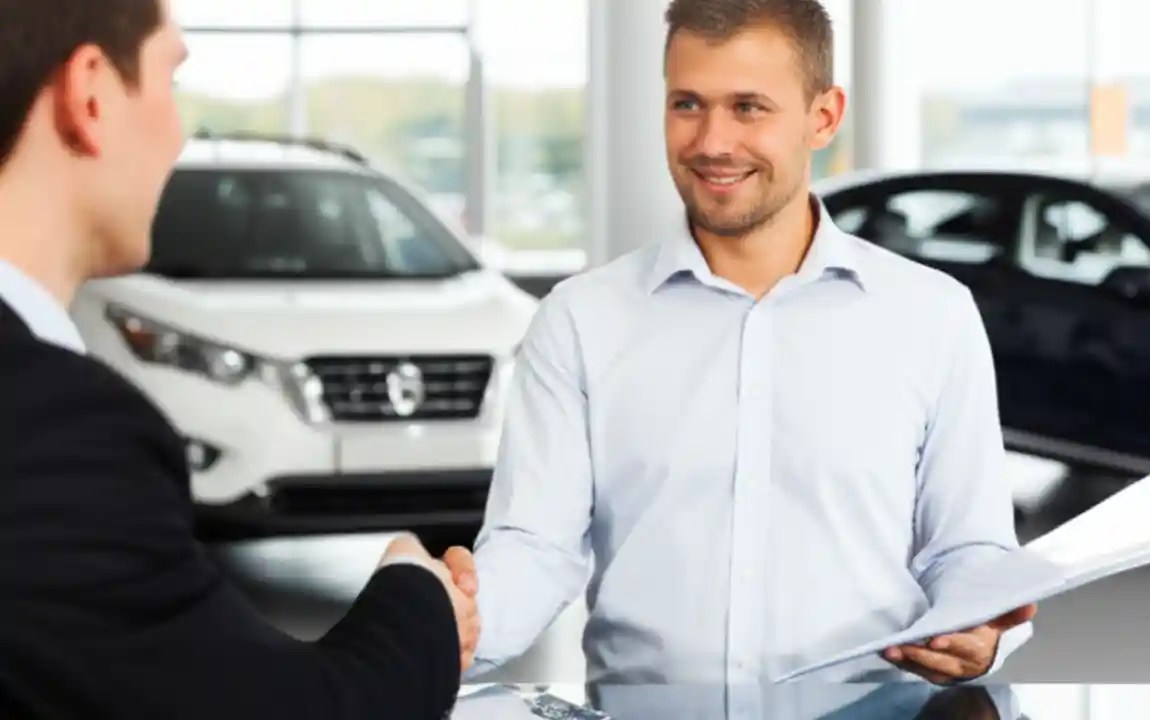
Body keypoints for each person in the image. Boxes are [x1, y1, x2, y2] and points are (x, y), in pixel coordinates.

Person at [448, 0, 1036, 686]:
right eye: (688, 104)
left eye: (749, 107)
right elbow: (536, 546)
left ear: (824, 116)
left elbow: (968, 545)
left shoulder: (932, 317)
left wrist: (980, 626)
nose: (712, 142)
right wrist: (453, 624)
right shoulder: (580, 320)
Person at [0, 1, 479, 718]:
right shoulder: (53, 426)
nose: (177, 134)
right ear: (90, 95)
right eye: (172, 82)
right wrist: (420, 600)